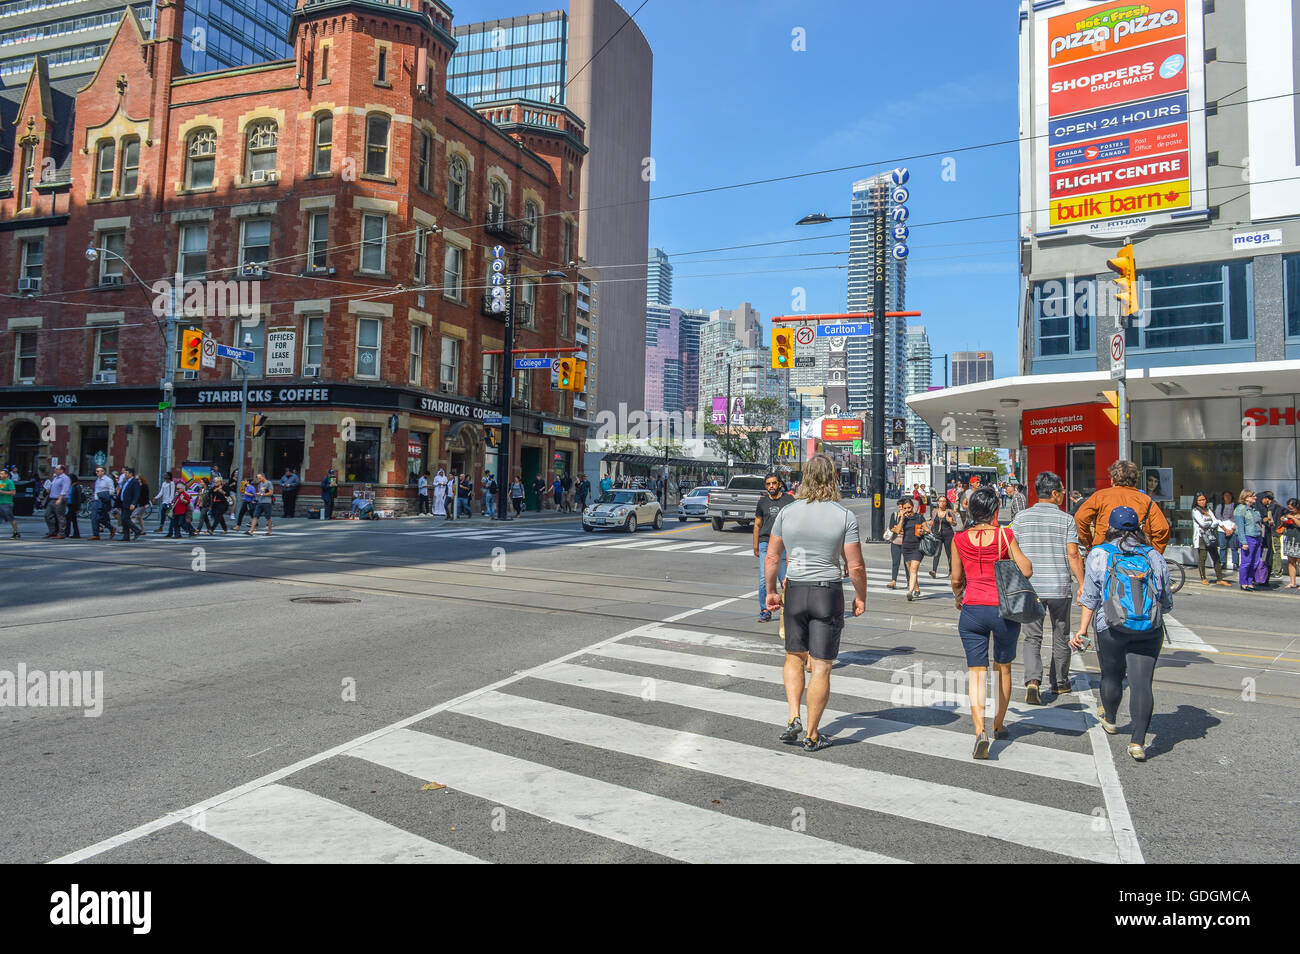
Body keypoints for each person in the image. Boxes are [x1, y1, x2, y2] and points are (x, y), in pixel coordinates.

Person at [763, 454, 867, 752]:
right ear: (833, 478)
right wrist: (861, 596)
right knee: (821, 665)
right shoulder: (843, 515)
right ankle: (811, 734)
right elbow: (855, 566)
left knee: (794, 656)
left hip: (795, 590)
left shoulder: (787, 512)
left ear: (804, 478)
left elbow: (772, 556)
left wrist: (771, 591)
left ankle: (793, 716)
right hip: (827, 592)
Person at [1071, 507, 1173, 762]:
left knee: (1112, 675)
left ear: (1110, 528)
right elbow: (1165, 599)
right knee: (1142, 683)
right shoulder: (1153, 555)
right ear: (1138, 528)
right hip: (1149, 628)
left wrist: (1082, 630)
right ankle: (1138, 743)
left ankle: (1111, 718)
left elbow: (1090, 597)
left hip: (1111, 625)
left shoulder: (1100, 553)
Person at [949, 486, 1033, 759]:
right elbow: (1027, 569)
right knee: (1003, 669)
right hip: (1003, 610)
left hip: (972, 610)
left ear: (971, 510)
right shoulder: (1005, 536)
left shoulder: (959, 539)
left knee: (977, 673)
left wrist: (959, 597)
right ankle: (998, 724)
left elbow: (955, 579)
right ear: (995, 510)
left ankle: (979, 732)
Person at [1011, 471, 1084, 703]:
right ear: (1054, 493)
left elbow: (1013, 550)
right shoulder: (1066, 519)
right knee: (1061, 634)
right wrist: (1082, 583)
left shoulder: (1021, 518)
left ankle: (1033, 681)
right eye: (1061, 490)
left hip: (1031, 587)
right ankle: (1060, 682)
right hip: (1059, 586)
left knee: (1032, 637)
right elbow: (1073, 554)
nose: (1063, 494)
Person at [1074, 459, 1170, 553]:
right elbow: (1162, 529)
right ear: (1135, 480)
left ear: (1112, 479)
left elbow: (1080, 518)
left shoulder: (1100, 496)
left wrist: (1090, 545)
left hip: (1105, 551)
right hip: (1137, 552)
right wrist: (1152, 553)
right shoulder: (1146, 500)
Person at [754, 474, 795, 623]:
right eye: (768, 484)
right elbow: (757, 524)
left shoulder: (789, 500)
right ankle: (765, 610)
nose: (771, 486)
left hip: (783, 544)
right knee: (763, 579)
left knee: (785, 579)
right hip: (765, 542)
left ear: (779, 484)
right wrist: (756, 545)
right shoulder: (762, 502)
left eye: (774, 483)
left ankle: (789, 611)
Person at [1191, 492, 1230, 586]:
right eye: (1200, 500)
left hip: (1211, 536)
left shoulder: (1208, 509)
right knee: (1202, 558)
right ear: (1196, 501)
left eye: (1203, 499)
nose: (1202, 502)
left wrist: (1210, 523)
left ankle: (1219, 579)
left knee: (1216, 557)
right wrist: (1211, 523)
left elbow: (1216, 521)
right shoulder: (1195, 511)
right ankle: (1203, 578)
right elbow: (1202, 523)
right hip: (1201, 537)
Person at [897, 496, 926, 600]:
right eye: (905, 508)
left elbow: (927, 529)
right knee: (910, 570)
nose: (907, 510)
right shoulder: (903, 519)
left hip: (918, 547)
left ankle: (910, 592)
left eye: (909, 508)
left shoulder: (919, 517)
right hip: (906, 547)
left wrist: (923, 531)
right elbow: (898, 531)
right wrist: (902, 518)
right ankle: (916, 588)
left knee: (913, 569)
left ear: (913, 507)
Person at [1234, 489, 1263, 591]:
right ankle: (1243, 582)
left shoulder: (1253, 509)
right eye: (1253, 496)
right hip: (1248, 537)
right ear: (1246, 497)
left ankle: (1250, 582)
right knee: (1247, 561)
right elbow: (1240, 527)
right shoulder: (1240, 509)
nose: (1255, 497)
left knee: (1255, 561)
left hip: (1257, 536)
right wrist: (1243, 542)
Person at [1258, 491, 1285, 582]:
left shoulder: (1271, 507)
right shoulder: (1277, 505)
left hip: (1273, 532)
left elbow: (1270, 520)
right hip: (1276, 531)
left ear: (1267, 499)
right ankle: (1276, 570)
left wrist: (1267, 521)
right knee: (1275, 550)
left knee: (1274, 550)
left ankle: (1276, 570)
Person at [928, 496, 958, 578]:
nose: (942, 503)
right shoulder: (934, 512)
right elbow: (932, 521)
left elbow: (955, 524)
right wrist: (931, 523)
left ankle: (951, 571)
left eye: (944, 501)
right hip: (937, 534)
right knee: (937, 552)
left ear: (946, 503)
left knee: (949, 553)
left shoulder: (950, 512)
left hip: (948, 534)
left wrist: (951, 521)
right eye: (940, 501)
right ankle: (934, 571)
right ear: (938, 502)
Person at [886, 499, 909, 590]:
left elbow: (907, 529)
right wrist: (898, 529)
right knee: (895, 562)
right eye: (899, 506)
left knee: (907, 563)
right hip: (895, 542)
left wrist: (899, 529)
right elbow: (892, 528)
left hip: (906, 542)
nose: (900, 507)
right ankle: (893, 581)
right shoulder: (894, 515)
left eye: (901, 506)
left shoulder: (908, 516)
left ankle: (909, 581)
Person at [1214, 490, 1240, 571]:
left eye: (1229, 495)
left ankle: (1235, 563)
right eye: (1225, 496)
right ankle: (1222, 562)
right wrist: (1225, 529)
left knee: (1234, 547)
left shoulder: (1235, 506)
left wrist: (1232, 529)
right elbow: (1218, 518)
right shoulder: (1220, 506)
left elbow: (1238, 518)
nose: (1227, 497)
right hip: (1222, 530)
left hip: (1233, 529)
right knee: (1223, 547)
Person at [43, 463, 71, 539]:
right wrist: (48, 490)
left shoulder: (65, 478)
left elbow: (65, 489)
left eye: (57, 469)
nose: (55, 470)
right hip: (52, 498)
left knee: (60, 516)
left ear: (62, 470)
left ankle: (61, 533)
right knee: (47, 515)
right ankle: (52, 531)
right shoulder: (55, 478)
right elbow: (52, 487)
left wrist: (60, 499)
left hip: (60, 499)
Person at [89, 466, 115, 540]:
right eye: (96, 471)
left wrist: (103, 494)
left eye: (98, 471)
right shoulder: (97, 480)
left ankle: (111, 528)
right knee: (94, 517)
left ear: (103, 472)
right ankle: (95, 534)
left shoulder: (108, 480)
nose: (96, 472)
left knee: (100, 517)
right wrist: (95, 497)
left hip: (104, 501)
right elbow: (96, 490)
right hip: (96, 500)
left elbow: (112, 491)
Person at [1279, 498, 1300, 589]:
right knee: (1291, 561)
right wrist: (1284, 520)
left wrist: (1293, 518)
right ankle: (1292, 582)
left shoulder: (1295, 516)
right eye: (1289, 508)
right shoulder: (1289, 514)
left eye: (1292, 508)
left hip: (1298, 540)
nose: (1291, 510)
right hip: (1290, 539)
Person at [119, 468, 143, 541]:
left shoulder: (134, 482)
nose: (125, 474)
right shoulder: (125, 482)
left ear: (131, 474)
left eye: (126, 473)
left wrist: (133, 503)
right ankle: (126, 536)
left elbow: (136, 494)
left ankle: (137, 530)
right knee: (124, 520)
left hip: (129, 503)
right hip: (123, 503)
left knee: (125, 518)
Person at [0, 468, 18, 539]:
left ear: (6, 475)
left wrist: (2, 492)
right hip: (0, 503)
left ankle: (16, 532)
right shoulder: (0, 482)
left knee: (11, 518)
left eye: (2, 474)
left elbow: (13, 492)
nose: (0, 475)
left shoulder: (9, 482)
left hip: (7, 503)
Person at [65, 471, 83, 538]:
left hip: (73, 504)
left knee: (71, 519)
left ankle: (73, 533)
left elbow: (78, 497)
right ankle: (70, 532)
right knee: (70, 519)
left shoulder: (77, 486)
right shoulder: (70, 486)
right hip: (69, 504)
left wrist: (78, 506)